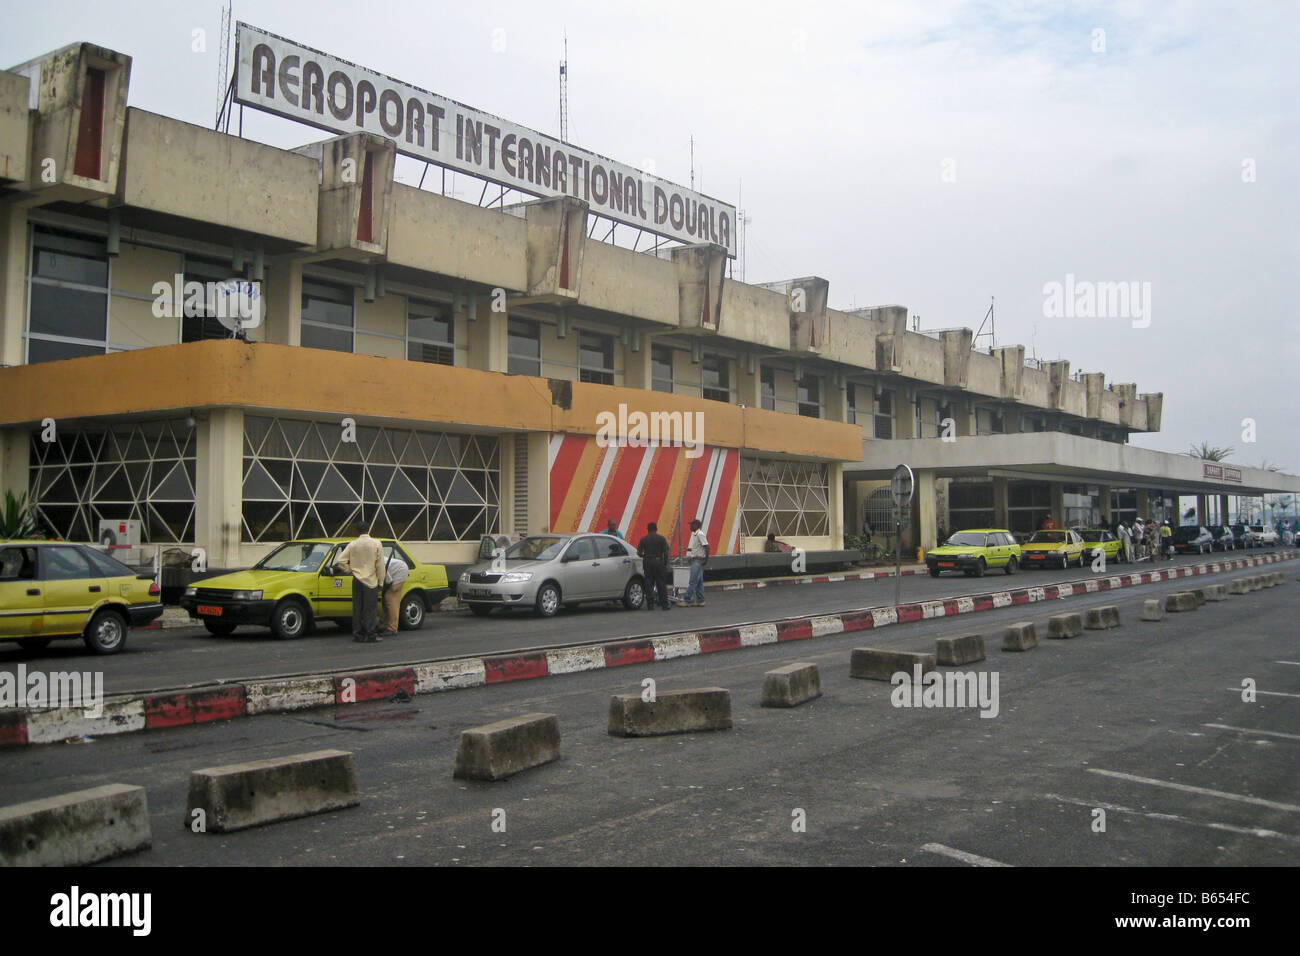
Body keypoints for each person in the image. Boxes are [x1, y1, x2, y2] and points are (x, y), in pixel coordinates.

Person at [337, 518, 385, 643]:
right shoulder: (376, 543)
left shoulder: (352, 544)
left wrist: (350, 570)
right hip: (371, 580)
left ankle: (357, 634)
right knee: (370, 608)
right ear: (368, 530)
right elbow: (380, 565)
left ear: (357, 531)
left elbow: (340, 561)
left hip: (357, 579)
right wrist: (381, 582)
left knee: (357, 607)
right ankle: (371, 634)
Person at [636, 521, 671, 611]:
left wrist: (645, 556)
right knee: (661, 584)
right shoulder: (661, 539)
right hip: (659, 561)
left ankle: (650, 605)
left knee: (648, 583)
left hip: (647, 562)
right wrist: (665, 563)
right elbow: (666, 553)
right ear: (656, 529)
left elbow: (639, 553)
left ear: (648, 530)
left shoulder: (643, 539)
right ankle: (664, 604)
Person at [379, 550, 409, 636]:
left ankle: (392, 628)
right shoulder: (373, 561)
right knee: (385, 600)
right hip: (395, 571)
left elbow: (387, 579)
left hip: (400, 571)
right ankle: (386, 624)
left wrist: (381, 588)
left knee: (391, 599)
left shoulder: (377, 563)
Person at [683, 518, 709, 606]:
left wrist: (706, 559)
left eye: (691, 525)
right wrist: (688, 549)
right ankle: (701, 600)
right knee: (699, 582)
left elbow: (707, 547)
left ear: (696, 525)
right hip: (697, 560)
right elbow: (699, 548)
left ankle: (687, 600)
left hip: (697, 561)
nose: (690, 526)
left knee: (693, 581)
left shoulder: (700, 534)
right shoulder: (696, 535)